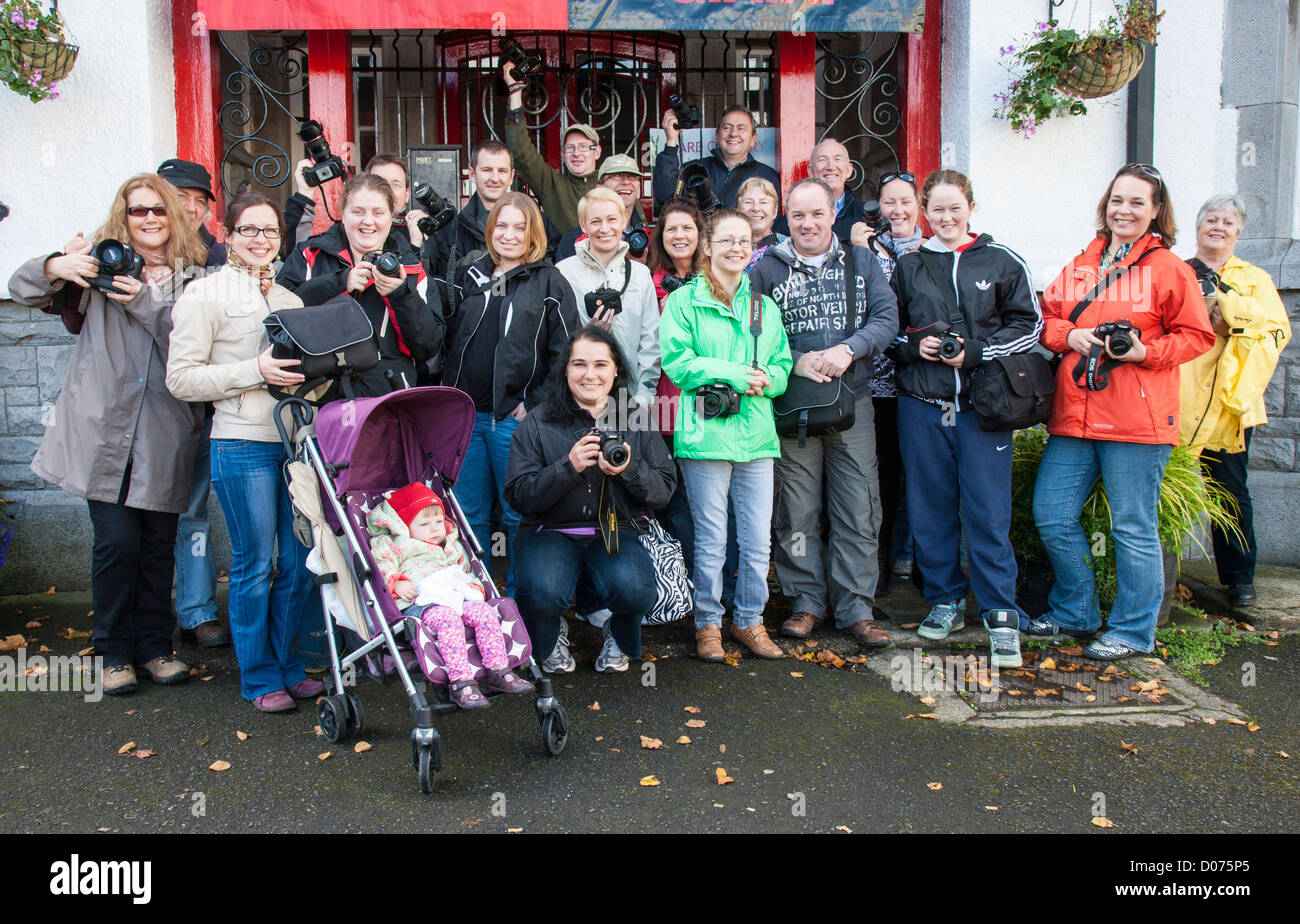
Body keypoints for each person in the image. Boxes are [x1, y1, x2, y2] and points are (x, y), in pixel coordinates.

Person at [8, 173, 207, 695]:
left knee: (158, 545)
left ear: (173, 217)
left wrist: (142, 299)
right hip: (105, 431)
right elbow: (21, 288)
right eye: (138, 210)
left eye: (158, 211)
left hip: (165, 429)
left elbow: (189, 342)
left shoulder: (195, 277)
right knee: (117, 543)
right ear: (124, 215)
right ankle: (114, 651)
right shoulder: (100, 266)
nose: (148, 219)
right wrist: (57, 265)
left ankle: (156, 648)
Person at [1031, 163, 1215, 659]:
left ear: (1156, 211)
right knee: (1052, 514)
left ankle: (1134, 632)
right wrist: (1068, 335)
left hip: (1137, 421)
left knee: (1133, 528)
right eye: (1117, 200)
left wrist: (1143, 353)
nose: (1124, 210)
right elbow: (1046, 319)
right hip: (1075, 415)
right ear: (1105, 206)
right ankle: (1076, 612)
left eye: (1137, 202)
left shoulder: (1169, 269)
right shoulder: (1082, 263)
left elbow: (1198, 335)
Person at [166, 192, 326, 712]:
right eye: (250, 230)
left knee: (301, 561)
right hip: (240, 443)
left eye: (271, 231)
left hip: (294, 445)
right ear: (229, 234)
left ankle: (289, 665)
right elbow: (181, 378)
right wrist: (252, 371)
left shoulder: (290, 301)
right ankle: (258, 678)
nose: (262, 240)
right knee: (256, 563)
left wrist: (323, 378)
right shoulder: (204, 294)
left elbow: (303, 380)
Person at [889, 169, 1043, 668]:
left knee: (987, 510)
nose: (946, 217)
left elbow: (1030, 325)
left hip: (983, 408)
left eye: (955, 208)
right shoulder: (909, 264)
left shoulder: (1001, 260)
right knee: (930, 509)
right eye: (937, 209)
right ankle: (945, 600)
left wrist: (976, 351)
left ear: (971, 206)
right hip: (923, 405)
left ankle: (1000, 611)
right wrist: (917, 346)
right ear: (923, 212)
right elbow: (888, 329)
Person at [750, 177, 899, 649]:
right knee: (796, 511)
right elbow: (752, 334)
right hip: (792, 409)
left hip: (852, 402)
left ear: (833, 214)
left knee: (859, 508)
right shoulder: (765, 269)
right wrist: (793, 361)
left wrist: (850, 350)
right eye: (798, 215)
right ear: (786, 218)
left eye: (817, 214)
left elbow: (887, 318)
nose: (808, 223)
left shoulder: (861, 260)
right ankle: (806, 602)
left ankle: (856, 608)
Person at [660, 208, 792, 662]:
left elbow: (782, 366)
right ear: (708, 247)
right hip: (704, 436)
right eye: (727, 241)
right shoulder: (683, 302)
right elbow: (677, 363)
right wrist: (736, 374)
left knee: (757, 539)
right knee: (712, 539)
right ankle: (708, 625)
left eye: (744, 241)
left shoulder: (763, 307)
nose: (737, 248)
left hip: (756, 435)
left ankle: (750, 621)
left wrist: (766, 379)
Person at [506, 326, 676, 673]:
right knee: (540, 590)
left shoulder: (634, 418)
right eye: (579, 364)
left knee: (633, 587)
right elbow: (518, 495)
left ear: (616, 370)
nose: (590, 375)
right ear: (565, 370)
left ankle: (620, 632)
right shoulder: (538, 421)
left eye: (601, 364)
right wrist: (567, 468)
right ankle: (551, 635)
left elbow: (664, 490)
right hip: (549, 530)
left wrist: (628, 470)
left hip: (617, 530)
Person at [442, 192, 580, 596]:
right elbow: (445, 337)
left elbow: (567, 353)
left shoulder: (549, 280)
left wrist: (535, 403)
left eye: (520, 227)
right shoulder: (471, 276)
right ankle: (478, 605)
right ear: (490, 229)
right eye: (502, 225)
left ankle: (519, 608)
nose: (509, 234)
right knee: (469, 515)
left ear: (533, 232)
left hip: (512, 423)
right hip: (466, 420)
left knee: (519, 515)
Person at [1180, 195, 1291, 607]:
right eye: (1211, 219)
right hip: (1178, 396)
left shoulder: (1256, 279)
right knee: (1158, 488)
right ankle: (1156, 575)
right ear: (1198, 226)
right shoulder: (1176, 271)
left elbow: (1277, 332)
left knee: (1228, 492)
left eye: (1228, 222)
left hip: (1229, 405)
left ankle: (1239, 578)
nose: (1219, 226)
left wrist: (1233, 323)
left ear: (1238, 232)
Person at [367, 482, 533, 708]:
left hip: (456, 596)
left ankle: (498, 670)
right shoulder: (394, 543)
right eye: (424, 523)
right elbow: (382, 566)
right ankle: (461, 681)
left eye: (438, 521)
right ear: (405, 525)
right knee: (447, 620)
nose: (435, 528)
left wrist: (475, 587)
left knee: (484, 611)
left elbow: (464, 572)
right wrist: (397, 583)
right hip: (422, 601)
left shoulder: (449, 545)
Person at [278, 173, 443, 398]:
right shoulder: (309, 255)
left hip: (387, 401)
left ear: (391, 216)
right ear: (342, 214)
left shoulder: (412, 268)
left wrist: (400, 294)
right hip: (319, 399)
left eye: (378, 213)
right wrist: (339, 283)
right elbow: (280, 320)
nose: (368, 221)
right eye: (357, 212)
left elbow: (427, 346)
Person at [156, 158, 231, 649]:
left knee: (193, 514)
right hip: (144, 410)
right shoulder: (132, 251)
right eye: (178, 196)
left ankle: (198, 609)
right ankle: (146, 619)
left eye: (198, 200)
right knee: (139, 520)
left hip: (200, 407)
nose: (189, 207)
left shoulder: (217, 257)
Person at [861, 170, 925, 594]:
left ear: (918, 205)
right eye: (889, 202)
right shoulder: (867, 250)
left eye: (905, 201)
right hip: (881, 384)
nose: (897, 210)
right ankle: (880, 571)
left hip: (922, 382)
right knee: (881, 482)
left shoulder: (936, 250)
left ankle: (924, 570)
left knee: (922, 479)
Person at [557, 187, 660, 408]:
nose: (605, 229)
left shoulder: (640, 275)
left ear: (624, 220)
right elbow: (556, 340)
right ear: (583, 225)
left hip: (629, 400)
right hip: (577, 399)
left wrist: (642, 398)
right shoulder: (563, 273)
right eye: (595, 221)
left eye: (612, 219)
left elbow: (651, 342)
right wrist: (588, 333)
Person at [647, 197, 706, 572]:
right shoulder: (647, 281)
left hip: (707, 406)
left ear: (700, 235)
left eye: (688, 228)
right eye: (672, 229)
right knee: (674, 501)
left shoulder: (715, 278)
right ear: (661, 237)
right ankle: (679, 580)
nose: (680, 235)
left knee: (709, 500)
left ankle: (714, 588)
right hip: (664, 406)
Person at [503, 61, 612, 233]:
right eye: (570, 148)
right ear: (563, 154)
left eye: (583, 147)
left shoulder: (611, 183)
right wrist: (515, 92)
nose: (576, 153)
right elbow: (521, 152)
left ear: (597, 152)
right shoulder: (551, 184)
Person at [431, 140, 561, 278]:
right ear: (472, 174)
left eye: (502, 171)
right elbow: (448, 281)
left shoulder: (536, 220)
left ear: (511, 176)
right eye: (487, 170)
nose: (495, 178)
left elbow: (553, 267)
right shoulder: (453, 228)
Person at [653, 105, 780, 209]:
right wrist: (671, 141)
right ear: (717, 136)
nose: (733, 133)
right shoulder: (695, 170)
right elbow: (665, 197)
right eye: (727, 128)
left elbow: (774, 224)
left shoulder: (767, 176)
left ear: (753, 139)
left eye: (741, 128)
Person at [554, 154, 650, 263]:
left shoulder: (649, 238)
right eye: (617, 176)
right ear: (600, 188)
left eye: (632, 177)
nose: (626, 182)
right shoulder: (573, 240)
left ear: (638, 191)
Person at [156, 158, 227, 267]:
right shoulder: (129, 248)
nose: (191, 208)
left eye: (200, 201)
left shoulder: (217, 258)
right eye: (181, 196)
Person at [738, 176, 786, 268]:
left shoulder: (787, 250)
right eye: (748, 202)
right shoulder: (726, 248)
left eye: (763, 202)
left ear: (775, 211)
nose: (756, 208)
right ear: (738, 210)